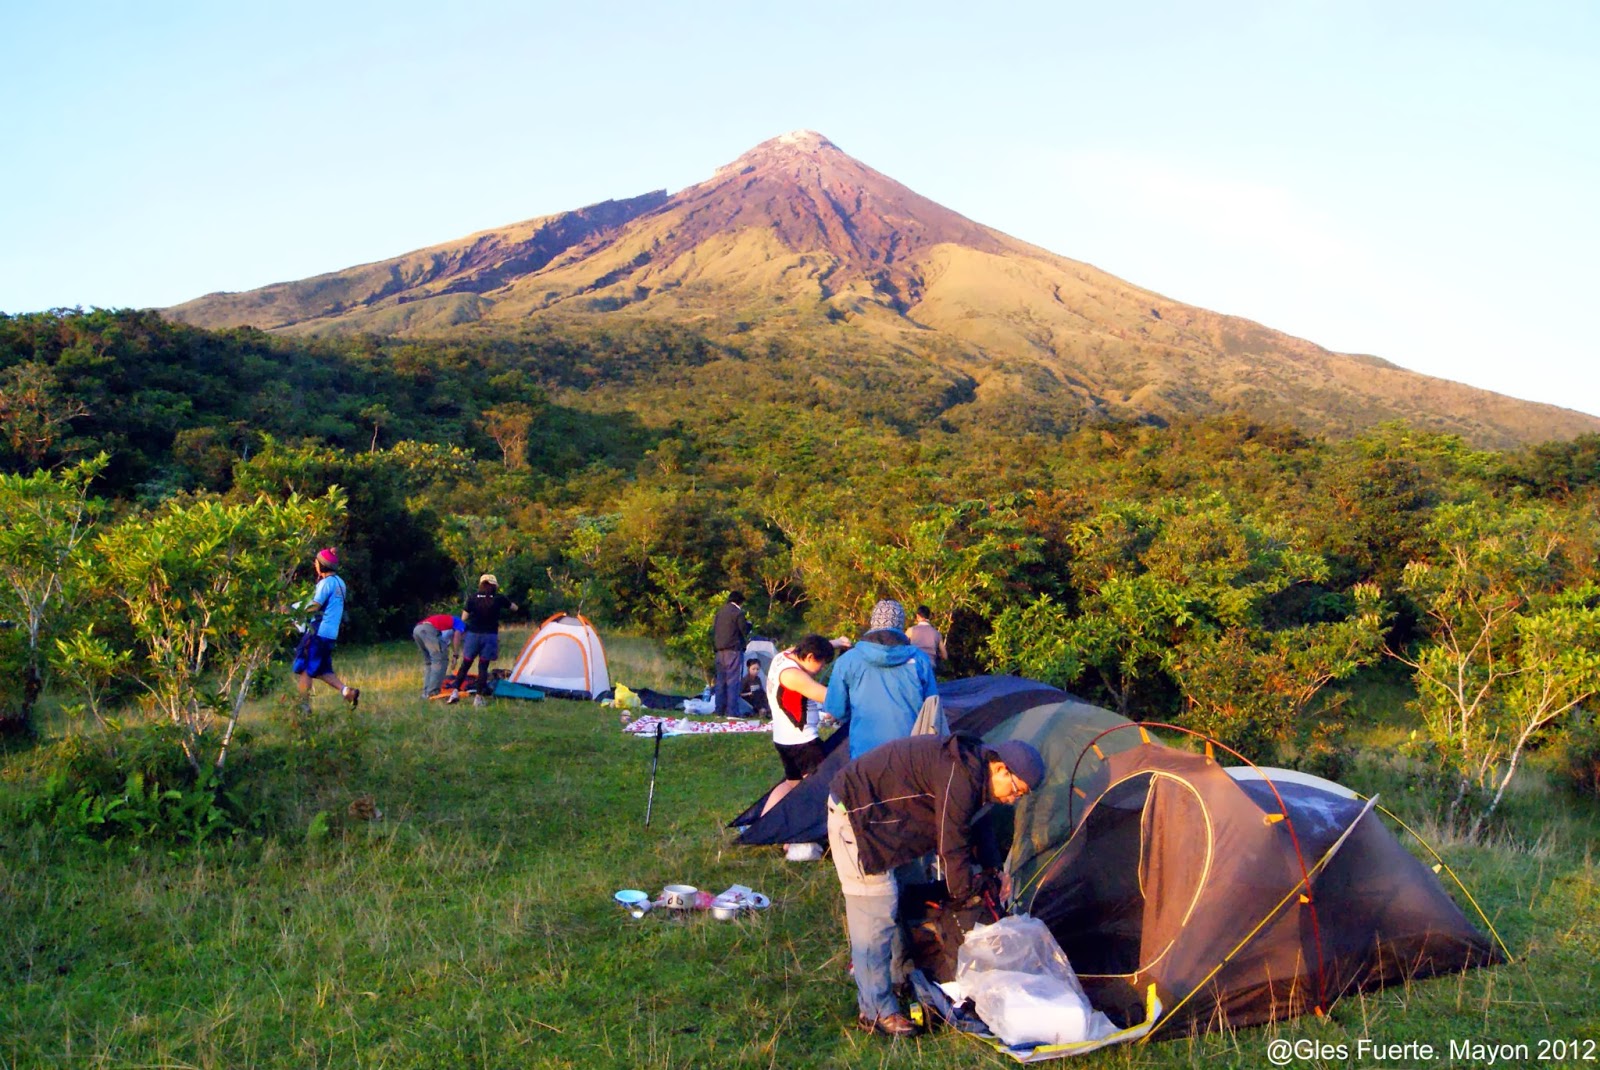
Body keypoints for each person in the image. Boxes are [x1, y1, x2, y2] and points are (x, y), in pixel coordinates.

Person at [827, 734, 1046, 1037]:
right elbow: (952, 843)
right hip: (857, 812)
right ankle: (874, 1011)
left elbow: (978, 823)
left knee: (906, 899)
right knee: (874, 914)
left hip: (894, 824)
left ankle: (901, 977)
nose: (1013, 799)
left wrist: (995, 870)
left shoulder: (977, 773)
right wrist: (963, 896)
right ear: (1000, 769)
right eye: (1015, 790)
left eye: (1020, 796)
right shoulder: (960, 775)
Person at [823, 599, 938, 760]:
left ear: (873, 622)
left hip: (864, 756)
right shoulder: (920, 659)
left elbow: (836, 709)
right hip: (910, 753)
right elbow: (933, 707)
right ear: (900, 624)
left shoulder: (848, 660)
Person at [759, 635, 838, 817]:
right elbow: (830, 697)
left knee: (791, 785)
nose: (822, 668)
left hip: (782, 739)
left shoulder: (784, 656)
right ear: (810, 657)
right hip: (804, 744)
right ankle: (797, 837)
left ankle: (765, 825)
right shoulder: (794, 676)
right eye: (822, 663)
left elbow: (806, 647)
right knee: (819, 790)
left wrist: (837, 642)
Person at [293, 548, 360, 711]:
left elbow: (315, 605)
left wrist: (294, 611)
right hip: (331, 634)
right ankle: (347, 691)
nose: (315, 565)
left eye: (316, 562)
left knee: (305, 667)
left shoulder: (325, 583)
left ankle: (303, 708)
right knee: (322, 668)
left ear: (321, 565)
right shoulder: (340, 583)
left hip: (318, 631)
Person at [445, 574, 519, 704]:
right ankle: (478, 698)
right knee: (483, 667)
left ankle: (454, 692)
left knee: (466, 664)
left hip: (473, 635)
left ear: (481, 585)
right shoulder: (499, 598)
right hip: (490, 636)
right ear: (494, 586)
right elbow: (514, 608)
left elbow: (464, 617)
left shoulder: (473, 598)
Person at [711, 590, 750, 717]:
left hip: (719, 651)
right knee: (733, 682)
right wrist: (749, 626)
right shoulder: (738, 613)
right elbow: (743, 630)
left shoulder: (720, 612)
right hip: (733, 651)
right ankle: (732, 712)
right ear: (740, 601)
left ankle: (719, 711)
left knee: (720, 682)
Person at [413, 611, 464, 699]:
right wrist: (456, 655)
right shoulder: (460, 623)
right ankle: (433, 692)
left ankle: (426, 692)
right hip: (428, 630)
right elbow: (457, 635)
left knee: (429, 662)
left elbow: (443, 643)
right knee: (440, 661)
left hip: (417, 630)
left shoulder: (447, 624)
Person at [906, 605, 948, 670]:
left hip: (914, 665)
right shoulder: (937, 634)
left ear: (917, 616)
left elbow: (901, 647)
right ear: (929, 616)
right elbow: (945, 656)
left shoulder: (911, 631)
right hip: (930, 666)